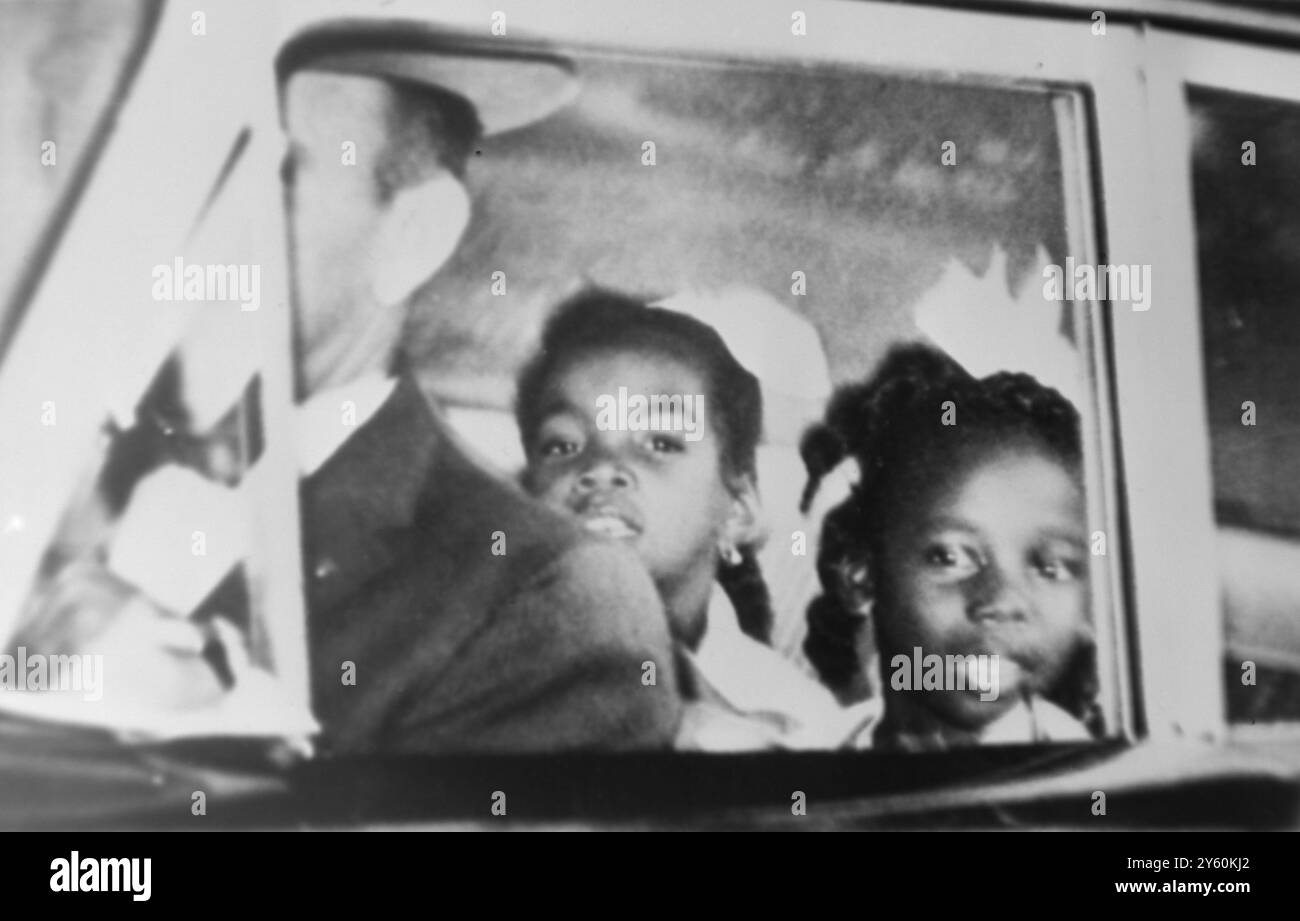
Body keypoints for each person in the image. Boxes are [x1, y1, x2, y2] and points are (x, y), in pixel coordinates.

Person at [12, 49, 682, 754]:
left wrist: (200, 714)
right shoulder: (42, 482)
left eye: (262, 176)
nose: (175, 222)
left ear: (411, 236)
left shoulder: (549, 600)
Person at [515, 289, 867, 749]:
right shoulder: (468, 669)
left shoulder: (794, 718)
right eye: (562, 445)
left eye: (659, 443)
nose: (600, 468)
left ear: (738, 510)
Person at [799, 343, 1100, 751]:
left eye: (1052, 567)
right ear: (861, 575)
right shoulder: (803, 766)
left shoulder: (1102, 787)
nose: (1005, 600)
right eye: (950, 556)